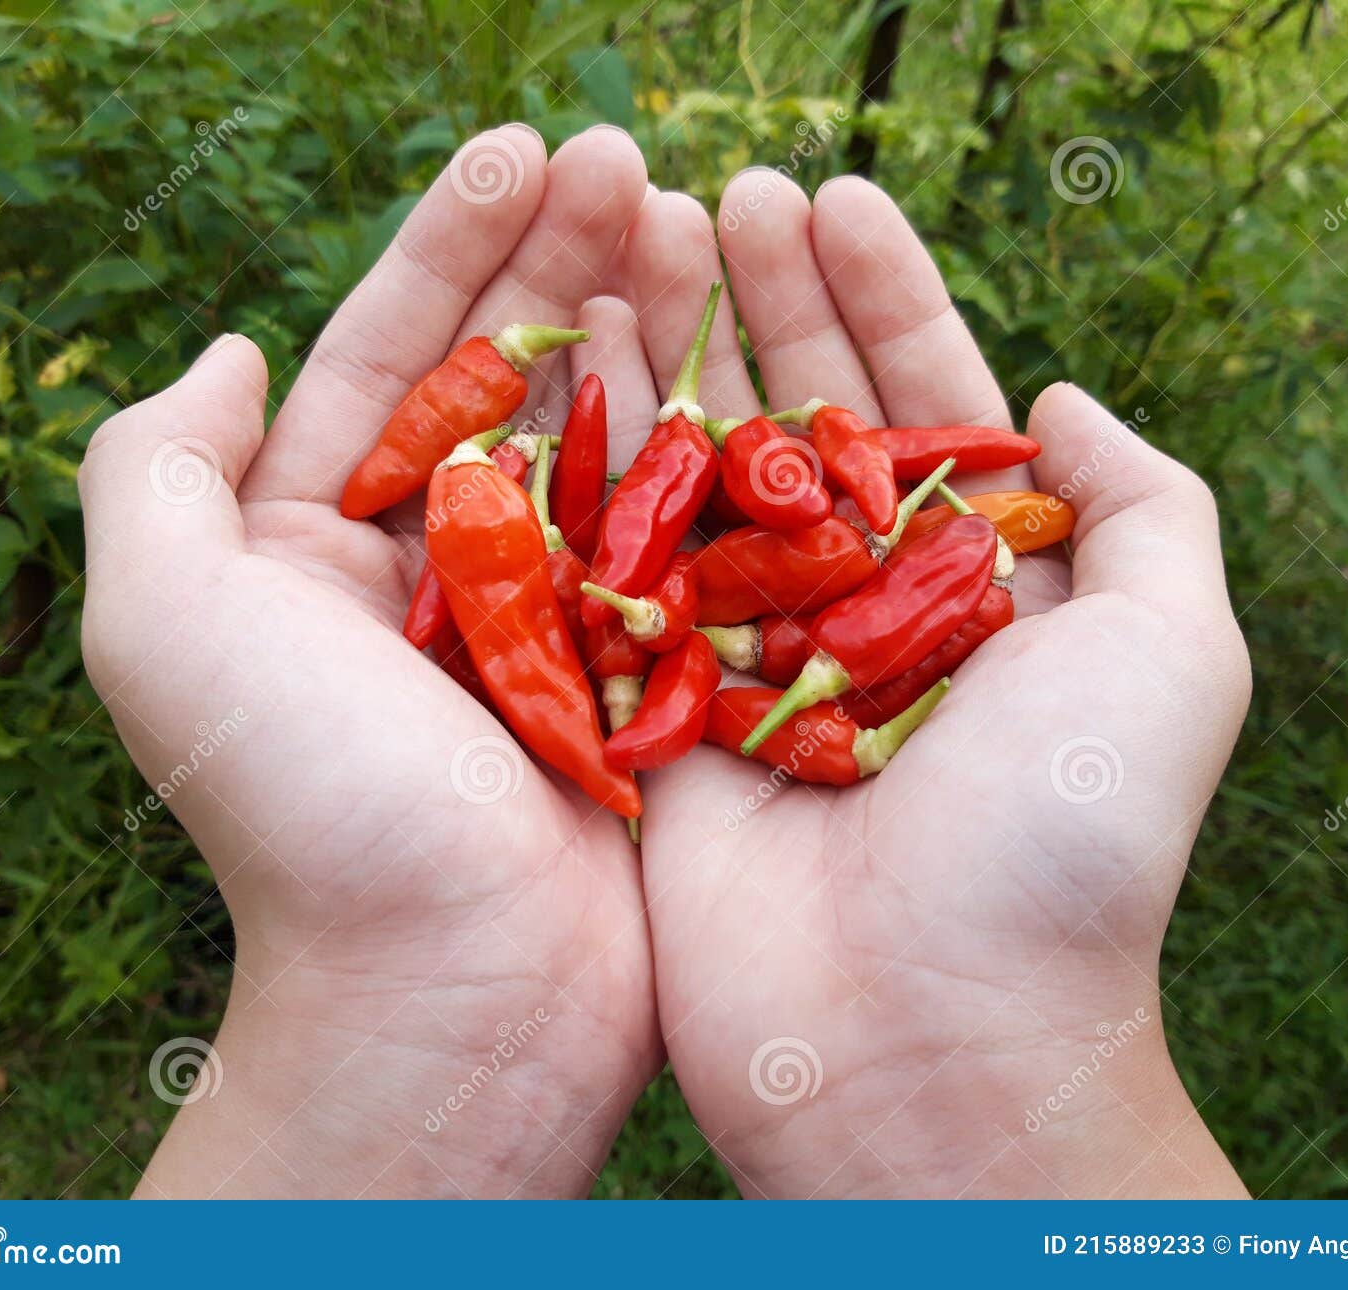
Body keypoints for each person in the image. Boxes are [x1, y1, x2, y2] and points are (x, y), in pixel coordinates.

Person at [77, 125, 1252, 1199]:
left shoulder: (751, 574)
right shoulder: (635, 573)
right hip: (733, 642)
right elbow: (598, 602)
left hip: (758, 639)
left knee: (769, 588)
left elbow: (686, 596)